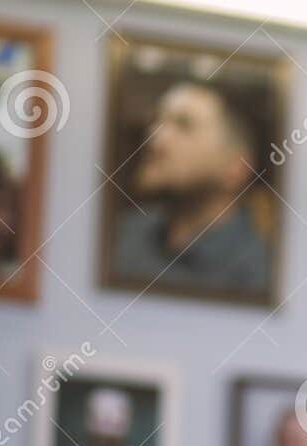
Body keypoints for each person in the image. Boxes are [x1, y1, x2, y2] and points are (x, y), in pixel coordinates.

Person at [109, 80, 270, 295]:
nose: (153, 138)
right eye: (156, 120)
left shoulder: (261, 275)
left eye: (184, 125)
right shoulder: (123, 234)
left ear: (235, 168)